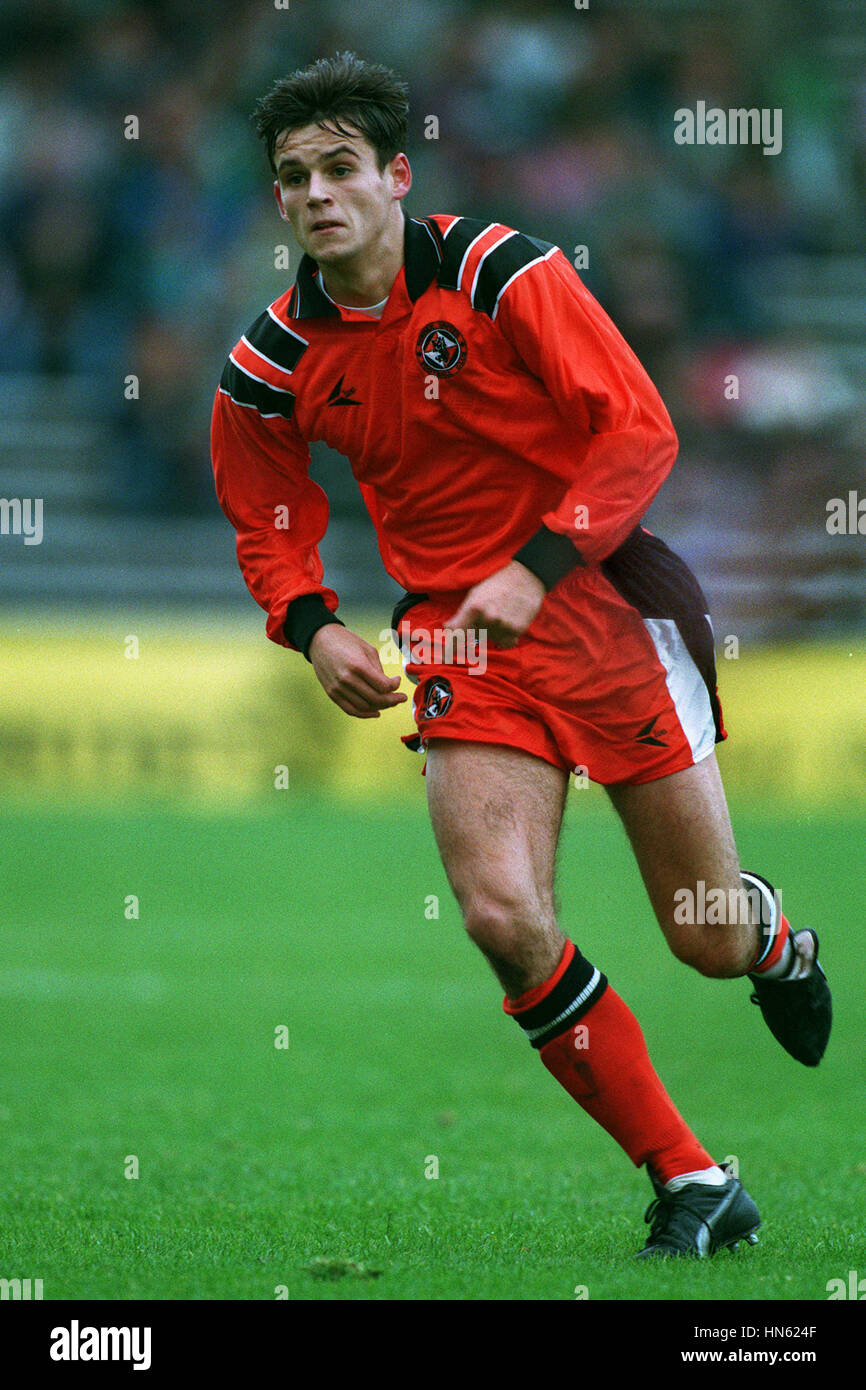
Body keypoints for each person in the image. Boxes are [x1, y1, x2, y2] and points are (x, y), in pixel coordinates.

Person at [210, 52, 831, 1258]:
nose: (317, 194)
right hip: (455, 637)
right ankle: (692, 1178)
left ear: (397, 175)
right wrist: (312, 623)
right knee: (501, 913)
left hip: (600, 607)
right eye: (292, 178)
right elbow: (265, 511)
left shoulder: (503, 272)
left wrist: (534, 566)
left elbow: (636, 428)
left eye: (341, 168)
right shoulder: (270, 363)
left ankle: (776, 944)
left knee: (701, 937)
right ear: (279, 201)